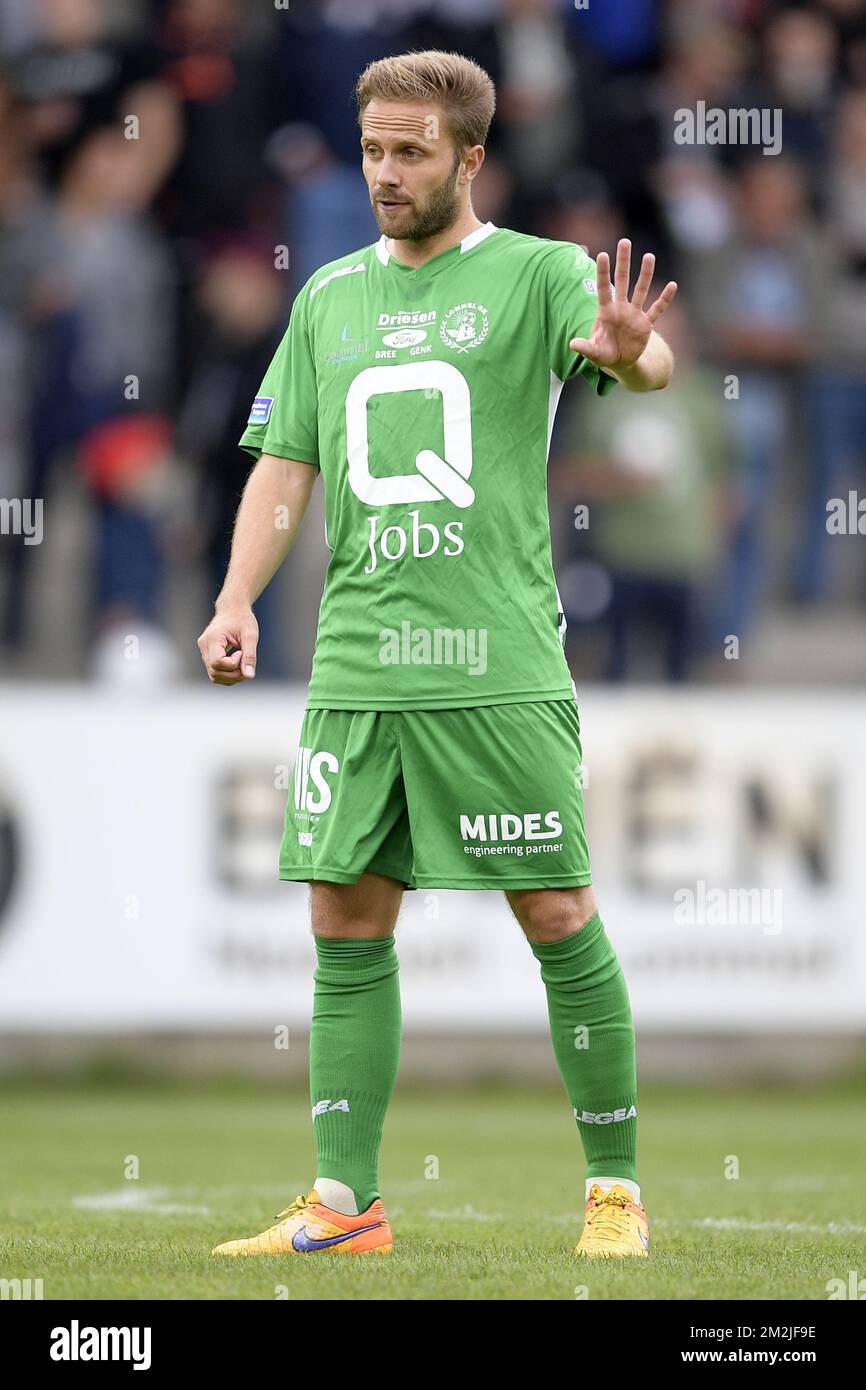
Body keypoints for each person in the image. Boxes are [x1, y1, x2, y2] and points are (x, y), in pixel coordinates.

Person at [197, 50, 676, 1260]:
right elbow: (284, 465)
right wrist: (236, 596)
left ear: (470, 157)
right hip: (358, 666)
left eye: (411, 151)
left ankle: (612, 1193)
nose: (385, 172)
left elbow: (641, 359)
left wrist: (626, 350)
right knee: (343, 921)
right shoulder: (328, 298)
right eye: (371, 149)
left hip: (495, 660)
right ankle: (344, 1204)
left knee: (556, 912)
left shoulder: (537, 273)